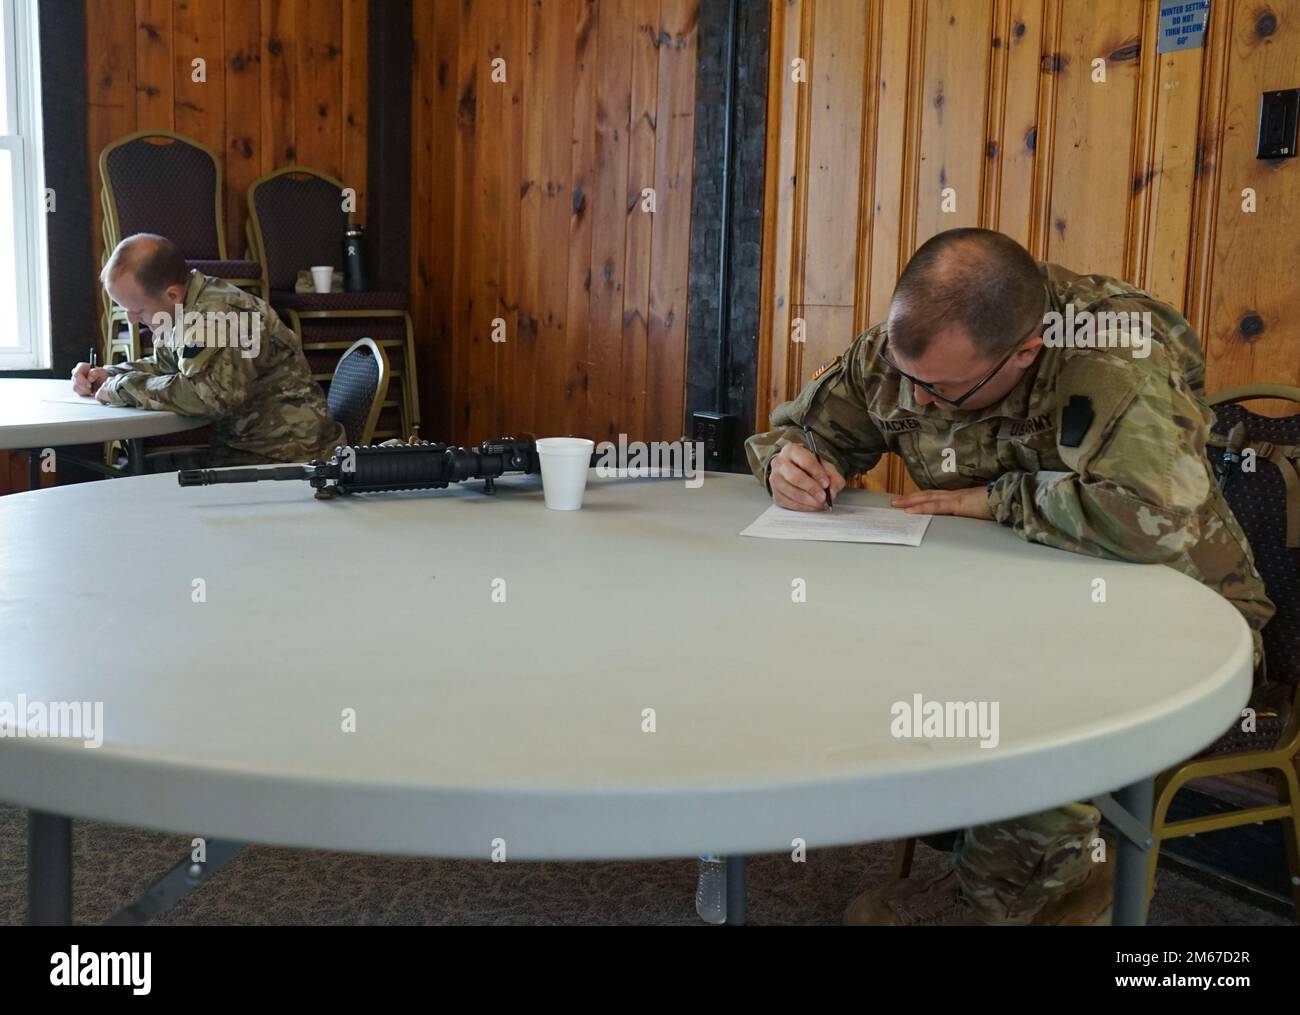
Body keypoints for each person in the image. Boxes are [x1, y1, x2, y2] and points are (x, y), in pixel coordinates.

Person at [743, 227, 1274, 926]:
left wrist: (999, 499)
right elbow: (810, 433)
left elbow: (1153, 519)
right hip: (1007, 596)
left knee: (1030, 690)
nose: (918, 400)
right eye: (910, 378)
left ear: (1023, 354)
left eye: (940, 389)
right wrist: (789, 462)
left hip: (1185, 617)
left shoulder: (1114, 354)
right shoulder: (916, 348)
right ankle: (1035, 864)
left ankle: (1005, 898)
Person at [72, 233, 346, 466]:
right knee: (133, 479)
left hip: (288, 457)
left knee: (140, 489)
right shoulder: (181, 306)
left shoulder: (216, 318)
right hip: (245, 448)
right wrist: (108, 374)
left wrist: (123, 388)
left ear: (172, 294)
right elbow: (168, 367)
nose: (132, 319)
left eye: (137, 310)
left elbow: (204, 397)